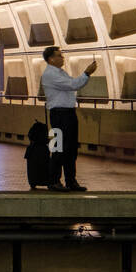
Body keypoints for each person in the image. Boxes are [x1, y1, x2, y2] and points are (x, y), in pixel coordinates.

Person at [41, 45, 96, 192]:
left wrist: (86, 75)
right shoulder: (50, 74)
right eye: (59, 55)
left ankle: (71, 181)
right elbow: (73, 85)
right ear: (51, 59)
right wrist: (86, 73)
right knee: (59, 148)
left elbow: (73, 85)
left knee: (71, 149)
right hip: (59, 115)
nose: (62, 58)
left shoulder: (60, 72)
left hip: (67, 114)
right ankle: (54, 181)